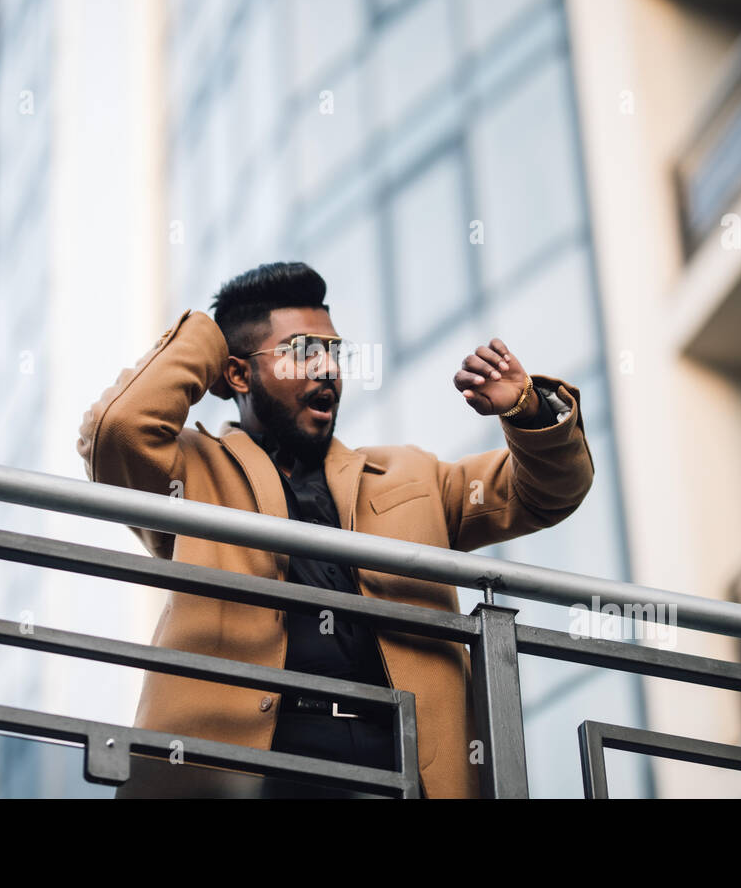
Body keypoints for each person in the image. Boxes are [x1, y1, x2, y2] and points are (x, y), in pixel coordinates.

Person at [75, 262, 593, 798]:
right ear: (237, 375)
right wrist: (209, 336)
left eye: (334, 352)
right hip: (242, 774)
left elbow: (546, 493)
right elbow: (119, 428)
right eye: (302, 351)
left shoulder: (410, 475)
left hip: (404, 770)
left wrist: (528, 409)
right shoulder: (190, 474)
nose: (327, 368)